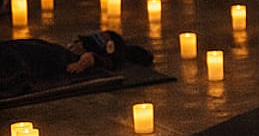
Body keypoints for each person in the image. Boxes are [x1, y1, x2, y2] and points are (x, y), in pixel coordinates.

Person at [0, 30, 153, 96]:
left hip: (37, 58)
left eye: (79, 42)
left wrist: (82, 64)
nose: (75, 42)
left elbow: (91, 58)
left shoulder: (72, 56)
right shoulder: (66, 52)